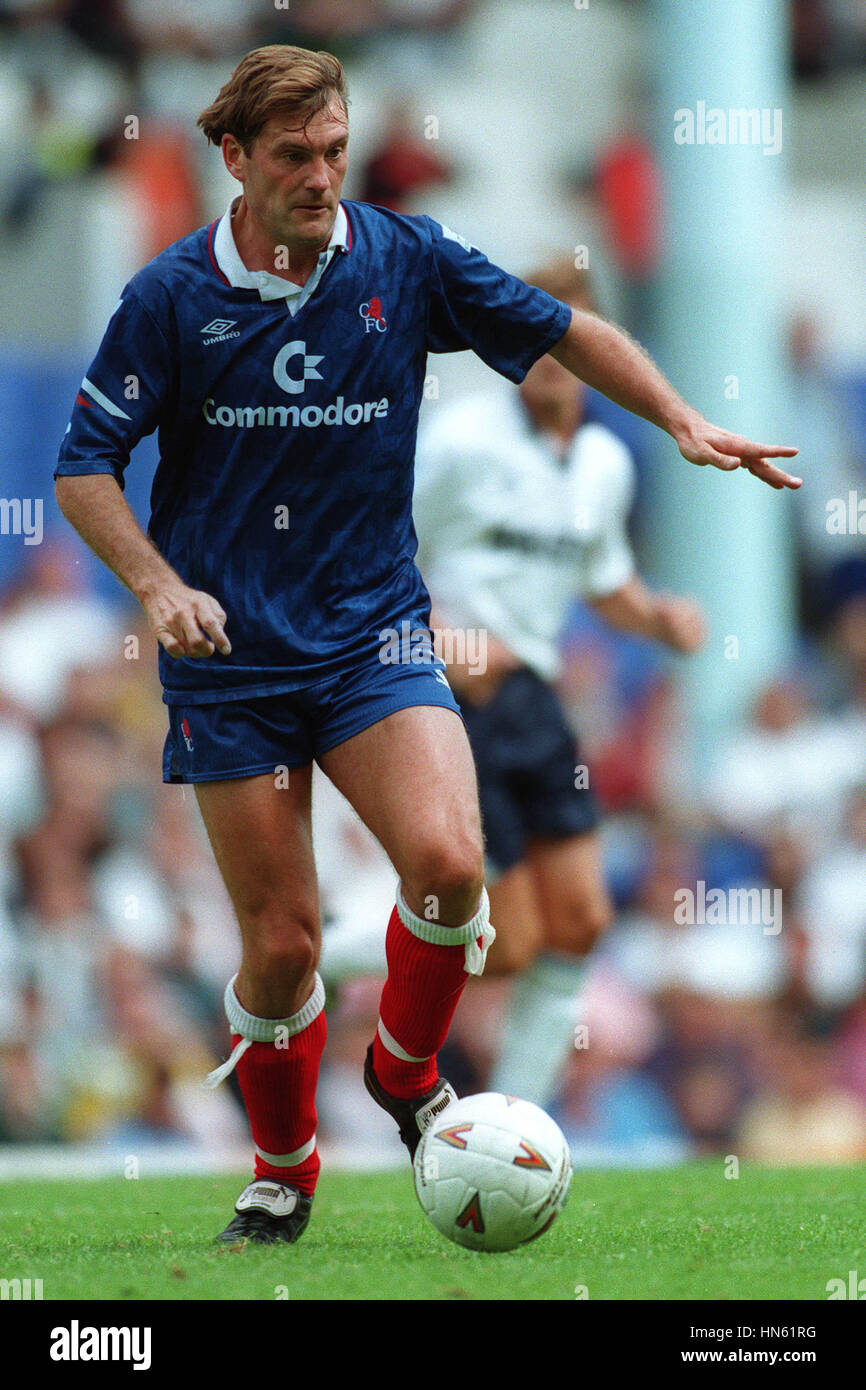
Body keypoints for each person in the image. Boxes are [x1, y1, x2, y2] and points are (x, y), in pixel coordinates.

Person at [53, 45, 800, 1245]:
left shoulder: (403, 259)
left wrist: (680, 419)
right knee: (284, 945)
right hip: (231, 658)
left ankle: (403, 1075)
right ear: (233, 158)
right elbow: (83, 465)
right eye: (292, 155)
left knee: (452, 864)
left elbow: (563, 328)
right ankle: (283, 1163)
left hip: (370, 635)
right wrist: (155, 583)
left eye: (335, 151)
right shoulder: (168, 298)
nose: (320, 176)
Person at [413, 259, 705, 1111]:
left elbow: (604, 582)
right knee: (500, 944)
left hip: (535, 698)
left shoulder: (606, 463)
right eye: (529, 337)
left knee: (577, 925)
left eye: (564, 338)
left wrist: (660, 619)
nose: (545, 356)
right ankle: (318, 957)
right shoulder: (462, 441)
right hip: (453, 698)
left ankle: (518, 1123)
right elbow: (378, 552)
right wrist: (437, 637)